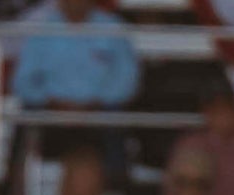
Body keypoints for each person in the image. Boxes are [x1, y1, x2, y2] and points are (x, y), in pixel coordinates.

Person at [12, 0, 141, 166]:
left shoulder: (113, 28)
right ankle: (17, 188)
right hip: (52, 113)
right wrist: (52, 103)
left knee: (115, 121)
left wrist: (95, 104)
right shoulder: (41, 31)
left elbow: (127, 79)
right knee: (27, 119)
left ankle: (115, 186)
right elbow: (23, 81)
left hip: (99, 113)